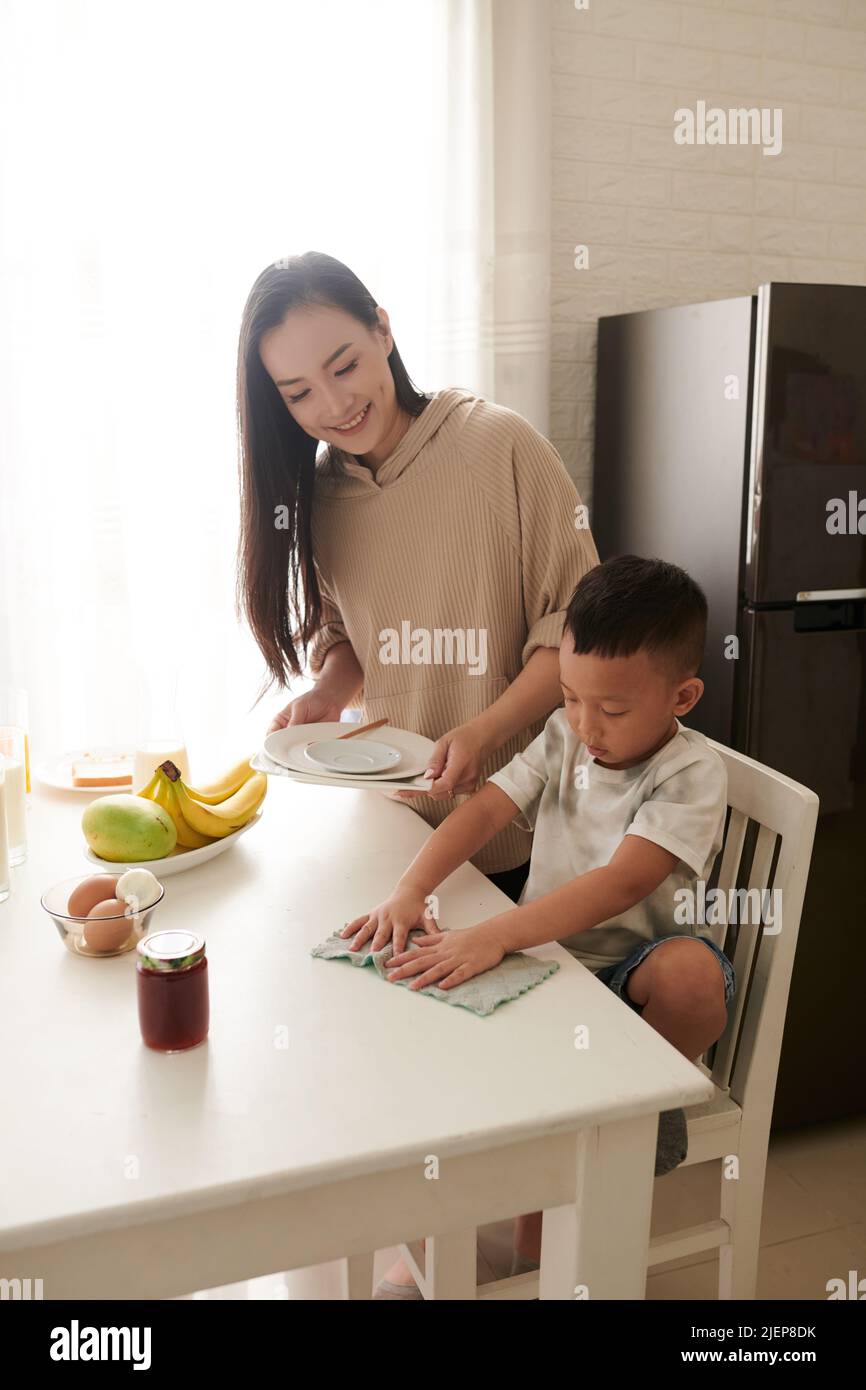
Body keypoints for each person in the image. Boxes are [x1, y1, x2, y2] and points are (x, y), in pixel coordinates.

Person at [343, 555, 736, 1297]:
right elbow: (488, 808)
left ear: (682, 696)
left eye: (612, 711)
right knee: (433, 1042)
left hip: (635, 971)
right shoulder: (563, 735)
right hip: (553, 965)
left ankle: (643, 1107)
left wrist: (499, 932)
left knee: (691, 975)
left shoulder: (692, 773)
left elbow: (621, 882)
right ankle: (465, 1246)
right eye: (571, 698)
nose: (586, 725)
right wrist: (410, 889)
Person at [236, 249, 599, 909]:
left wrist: (483, 732)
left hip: (518, 848)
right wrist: (328, 691)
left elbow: (576, 638)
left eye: (344, 366)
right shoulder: (324, 495)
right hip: (395, 833)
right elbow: (347, 631)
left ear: (383, 329)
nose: (334, 404)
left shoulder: (501, 445)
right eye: (298, 394)